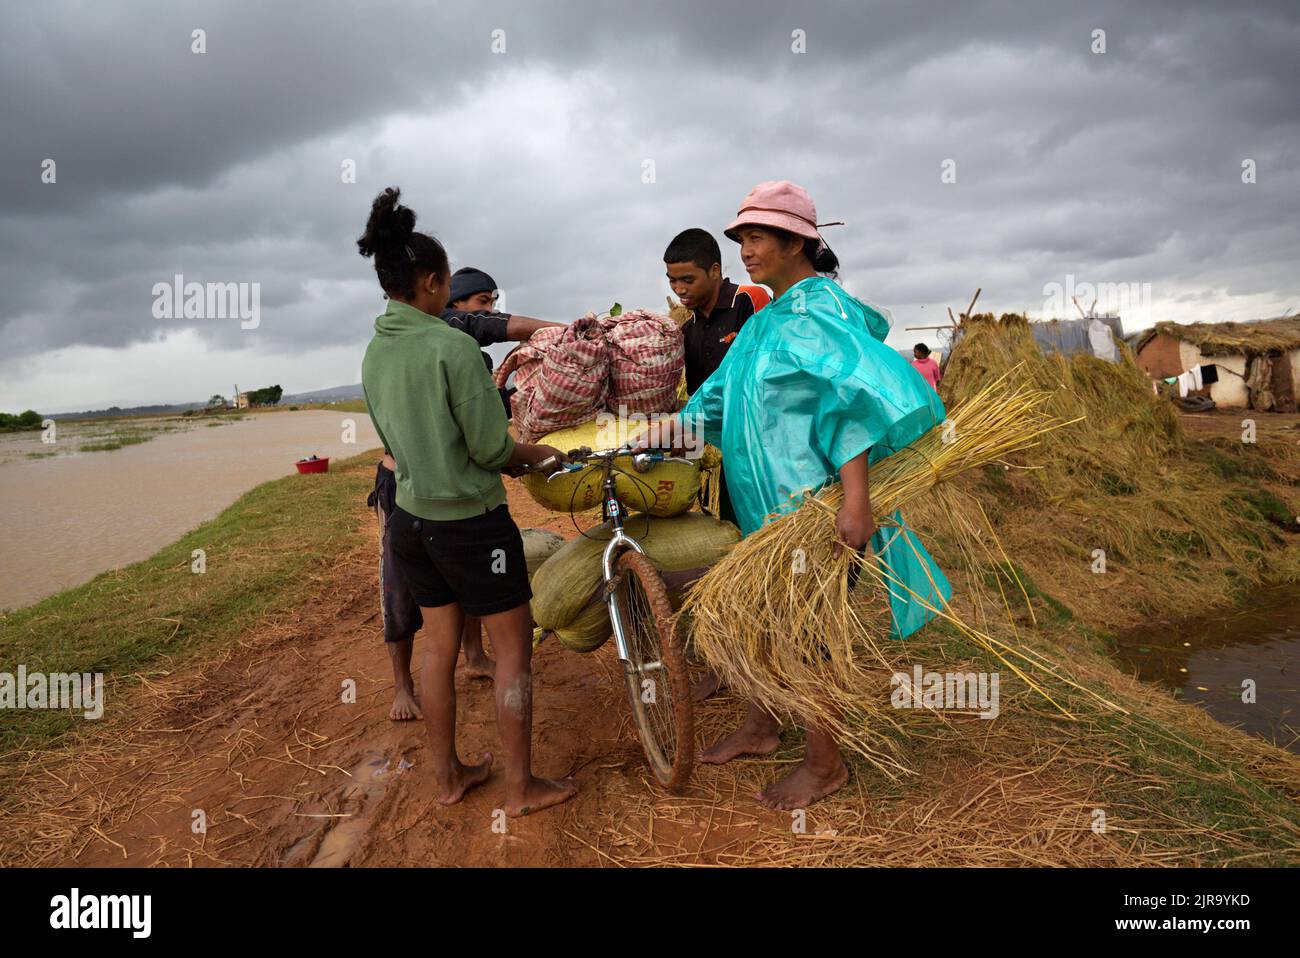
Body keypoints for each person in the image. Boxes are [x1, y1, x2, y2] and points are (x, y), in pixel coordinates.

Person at [638, 180, 949, 810]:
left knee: (811, 634)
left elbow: (849, 404)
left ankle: (824, 764)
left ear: (797, 241)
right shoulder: (768, 319)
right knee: (760, 618)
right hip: (760, 506)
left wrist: (855, 501)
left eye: (756, 236)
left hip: (811, 506)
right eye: (742, 238)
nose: (746, 249)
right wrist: (655, 433)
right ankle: (760, 725)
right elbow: (719, 398)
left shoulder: (818, 310)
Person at [358, 187, 577, 816]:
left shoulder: (375, 352)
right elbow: (489, 449)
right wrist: (536, 454)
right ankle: (521, 786)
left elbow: (395, 440)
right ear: (430, 283)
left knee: (438, 649)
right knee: (513, 650)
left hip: (410, 519)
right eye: (447, 281)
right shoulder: (451, 347)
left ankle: (449, 777)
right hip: (471, 528)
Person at [369, 269, 563, 719]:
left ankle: (472, 662)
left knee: (444, 629)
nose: (490, 310)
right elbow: (487, 446)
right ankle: (403, 686)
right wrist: (572, 330)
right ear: (444, 294)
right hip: (436, 497)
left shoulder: (381, 348)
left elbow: (468, 440)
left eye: (493, 300)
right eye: (482, 301)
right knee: (401, 592)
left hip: (418, 497)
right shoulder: (451, 335)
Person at [663, 228, 770, 701]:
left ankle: (775, 661)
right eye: (672, 282)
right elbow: (699, 400)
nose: (680, 290)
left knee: (767, 552)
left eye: (687, 279)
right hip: (729, 457)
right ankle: (733, 661)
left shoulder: (750, 303)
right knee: (731, 552)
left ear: (714, 270)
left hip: (770, 456)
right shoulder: (687, 330)